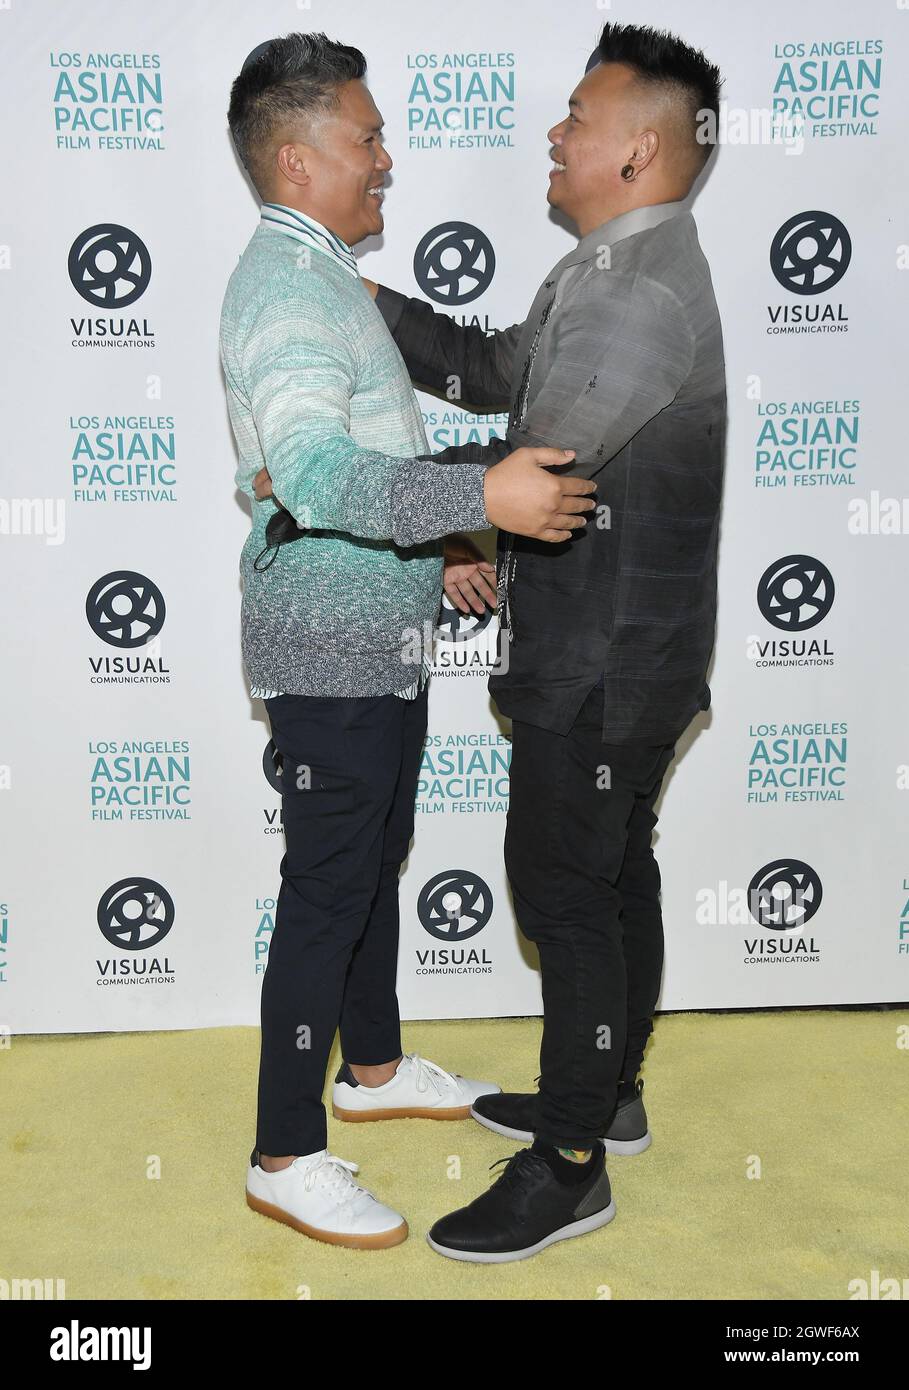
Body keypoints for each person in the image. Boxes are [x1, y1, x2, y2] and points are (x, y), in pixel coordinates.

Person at [218, 32, 596, 1251]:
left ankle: (370, 1068)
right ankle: (284, 1149)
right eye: (367, 137)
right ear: (295, 156)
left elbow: (350, 460)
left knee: (373, 851)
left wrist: (444, 545)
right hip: (326, 642)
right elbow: (321, 475)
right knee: (328, 885)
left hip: (372, 631)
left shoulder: (325, 274)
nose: (388, 157)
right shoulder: (284, 288)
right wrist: (480, 498)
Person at [365, 22, 727, 1262]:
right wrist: (368, 303)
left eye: (577, 115)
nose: (555, 132)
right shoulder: (603, 273)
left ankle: (571, 1162)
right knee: (614, 876)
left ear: (636, 150)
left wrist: (361, 485)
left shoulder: (637, 294)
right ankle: (607, 1093)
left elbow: (539, 472)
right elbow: (490, 371)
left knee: (569, 890)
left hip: (609, 663)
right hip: (622, 652)